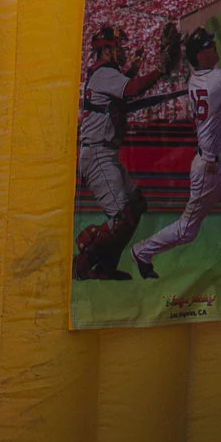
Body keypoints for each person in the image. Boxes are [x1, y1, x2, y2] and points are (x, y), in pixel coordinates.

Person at [132, 28, 221, 282]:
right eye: (210, 46)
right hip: (209, 169)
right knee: (187, 231)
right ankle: (142, 252)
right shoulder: (220, 79)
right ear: (200, 55)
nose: (215, 48)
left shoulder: (195, 79)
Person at [75, 23, 178, 280]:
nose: (121, 50)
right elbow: (131, 89)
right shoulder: (104, 75)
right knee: (121, 216)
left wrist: (136, 65)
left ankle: (107, 265)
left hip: (104, 153)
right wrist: (160, 70)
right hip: (98, 154)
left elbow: (124, 86)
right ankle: (83, 260)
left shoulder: (104, 73)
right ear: (106, 49)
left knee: (136, 205)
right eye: (118, 46)